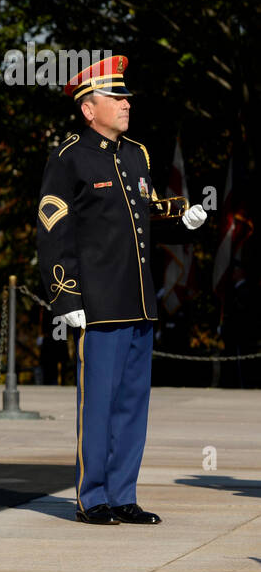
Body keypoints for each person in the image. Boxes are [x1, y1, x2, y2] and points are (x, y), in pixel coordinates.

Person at [36, 56, 207, 526]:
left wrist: (181, 217)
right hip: (98, 305)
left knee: (133, 406)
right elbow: (53, 231)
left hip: (139, 303)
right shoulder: (69, 157)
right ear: (89, 109)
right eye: (116, 97)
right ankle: (93, 498)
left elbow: (144, 213)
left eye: (125, 96)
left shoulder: (136, 154)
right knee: (99, 408)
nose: (126, 102)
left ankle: (123, 494)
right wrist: (65, 297)